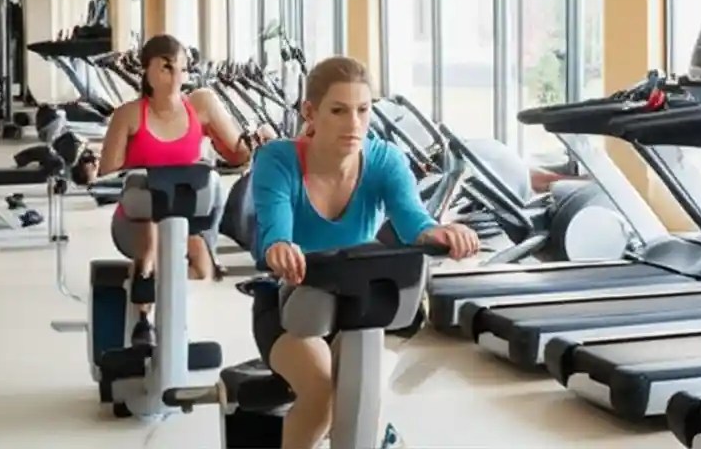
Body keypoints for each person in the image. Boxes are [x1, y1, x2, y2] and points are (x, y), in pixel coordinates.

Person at [251, 55, 481, 449]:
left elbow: (413, 222)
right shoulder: (277, 160)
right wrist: (279, 247)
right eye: (339, 110)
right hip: (292, 308)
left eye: (363, 109)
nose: (354, 123)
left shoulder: (385, 161)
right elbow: (275, 228)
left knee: (362, 400)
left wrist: (441, 232)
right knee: (322, 390)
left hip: (359, 307)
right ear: (310, 111)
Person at [97, 33, 274, 344]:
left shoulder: (202, 104)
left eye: (181, 68)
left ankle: (167, 314)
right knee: (153, 242)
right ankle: (142, 314)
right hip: (138, 217)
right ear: (146, 72)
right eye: (166, 67)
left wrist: (258, 140)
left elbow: (238, 154)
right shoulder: (128, 115)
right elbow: (108, 176)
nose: (176, 75)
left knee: (202, 268)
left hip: (189, 214)